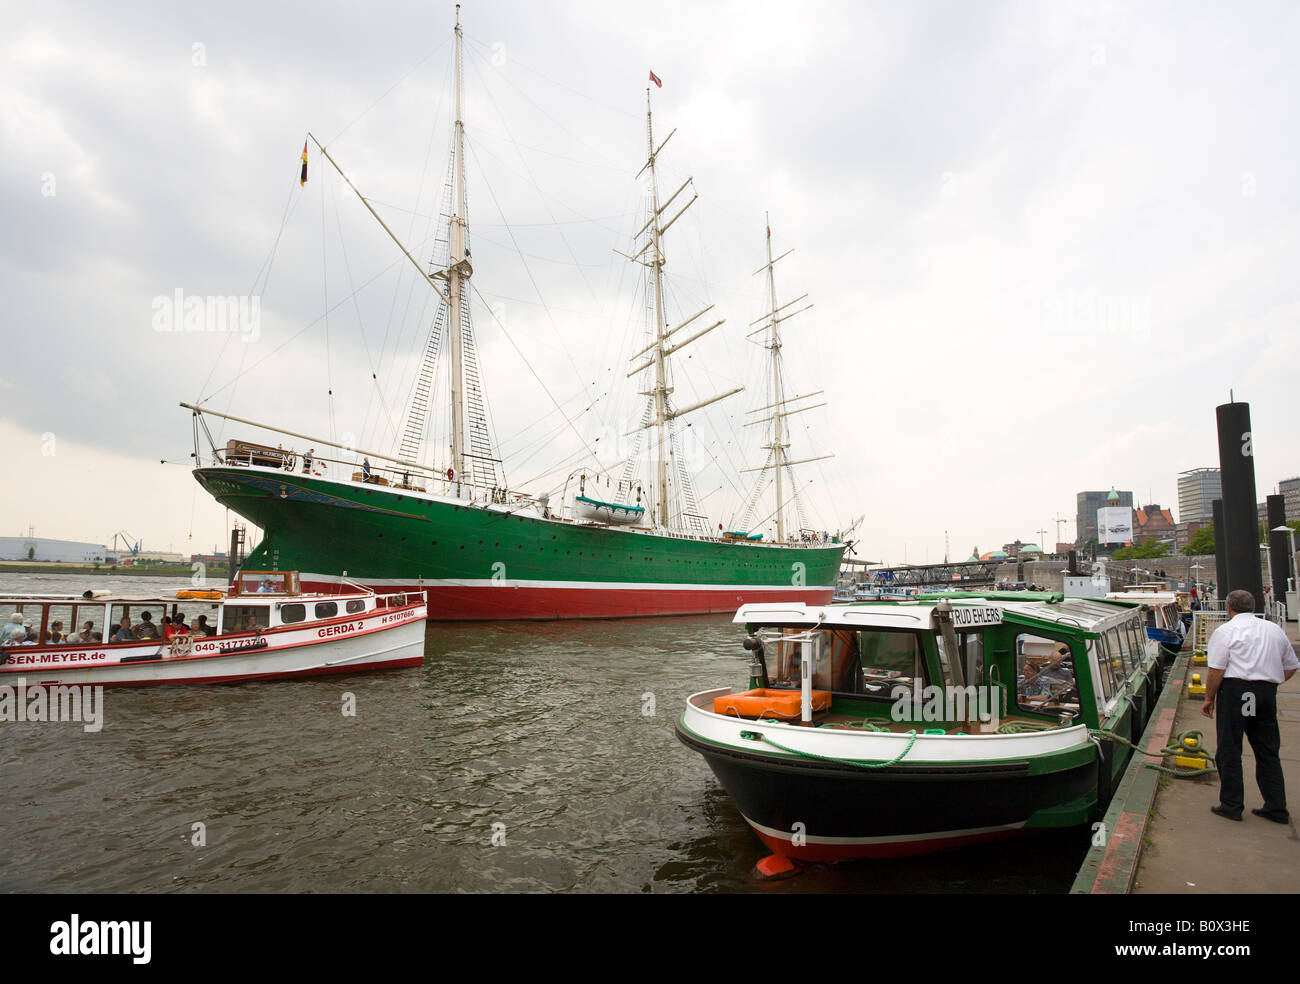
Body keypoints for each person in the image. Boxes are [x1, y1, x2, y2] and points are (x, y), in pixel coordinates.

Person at [1201, 589, 1299, 823]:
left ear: (1229, 608)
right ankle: (1276, 807)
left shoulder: (1226, 631)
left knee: (1230, 749)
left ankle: (1231, 805)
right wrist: (1269, 682)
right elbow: (1292, 665)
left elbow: (1216, 670)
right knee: (1267, 750)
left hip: (1237, 692)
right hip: (1265, 692)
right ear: (1254, 605)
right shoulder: (1273, 629)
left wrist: (1208, 698)